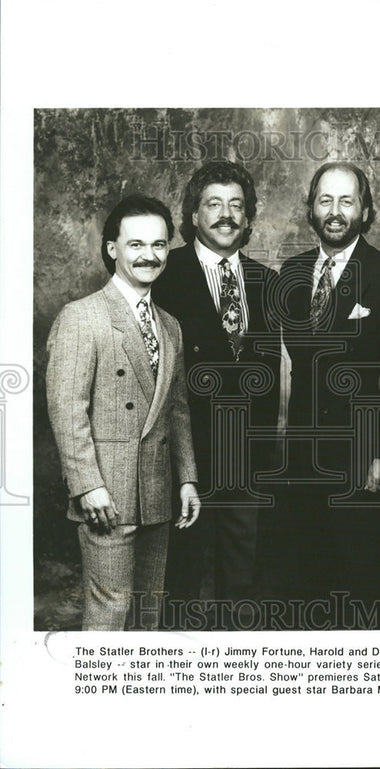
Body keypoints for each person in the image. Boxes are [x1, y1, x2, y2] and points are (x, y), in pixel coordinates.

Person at [46, 195, 200, 631]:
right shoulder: (82, 318)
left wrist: (187, 478)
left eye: (158, 245)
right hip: (106, 496)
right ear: (113, 248)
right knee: (110, 611)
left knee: (148, 612)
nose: (149, 256)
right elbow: (67, 411)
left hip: (156, 493)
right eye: (136, 245)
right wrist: (86, 486)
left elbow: (177, 410)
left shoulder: (170, 325)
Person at [279, 161, 380, 603]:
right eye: (326, 200)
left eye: (346, 200)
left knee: (365, 585)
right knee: (307, 585)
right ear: (311, 210)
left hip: (363, 458)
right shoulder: (291, 273)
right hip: (303, 461)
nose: (335, 210)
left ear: (364, 209)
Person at [153, 161, 280, 614]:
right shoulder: (164, 275)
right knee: (179, 573)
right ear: (193, 215)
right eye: (214, 204)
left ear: (247, 219)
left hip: (247, 454)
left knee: (242, 577)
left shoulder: (268, 281)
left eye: (236, 206)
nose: (226, 215)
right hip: (182, 453)